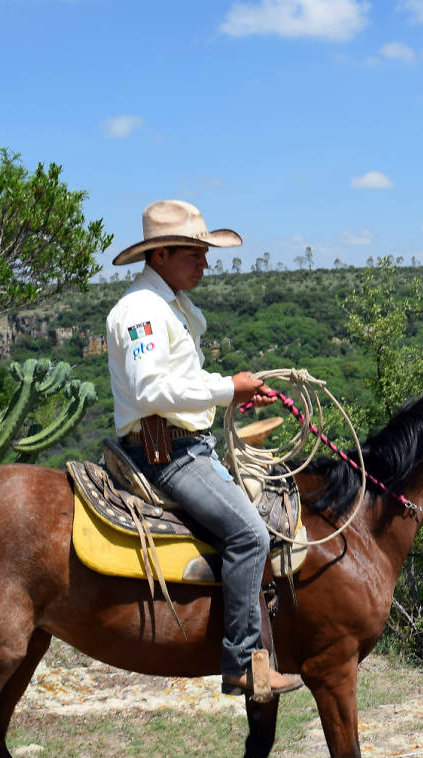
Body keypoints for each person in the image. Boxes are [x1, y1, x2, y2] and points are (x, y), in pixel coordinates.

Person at [105, 199, 301, 699]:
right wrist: (226, 388)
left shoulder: (165, 305)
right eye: (195, 254)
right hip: (168, 453)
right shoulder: (142, 311)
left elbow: (180, 379)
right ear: (161, 255)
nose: (205, 264)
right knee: (250, 535)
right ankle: (243, 664)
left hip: (187, 443)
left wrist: (232, 390)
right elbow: (151, 390)